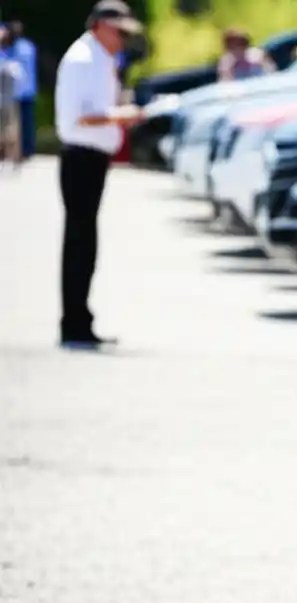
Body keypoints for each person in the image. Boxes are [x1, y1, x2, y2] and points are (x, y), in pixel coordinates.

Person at [54, 0, 144, 348]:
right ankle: (74, 321)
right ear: (99, 27)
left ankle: (80, 318)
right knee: (79, 241)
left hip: (92, 156)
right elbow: (81, 116)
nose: (122, 39)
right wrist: (120, 116)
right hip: (81, 156)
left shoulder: (100, 59)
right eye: (118, 31)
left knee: (85, 241)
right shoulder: (83, 60)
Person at [6, 21, 37, 160]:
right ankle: (26, 149)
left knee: (22, 123)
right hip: (25, 90)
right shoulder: (27, 46)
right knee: (26, 122)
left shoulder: (17, 48)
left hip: (20, 91)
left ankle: (24, 149)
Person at [0, 25, 22, 168]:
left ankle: (13, 155)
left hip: (8, 99)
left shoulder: (11, 54)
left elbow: (18, 76)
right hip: (6, 98)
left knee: (11, 127)